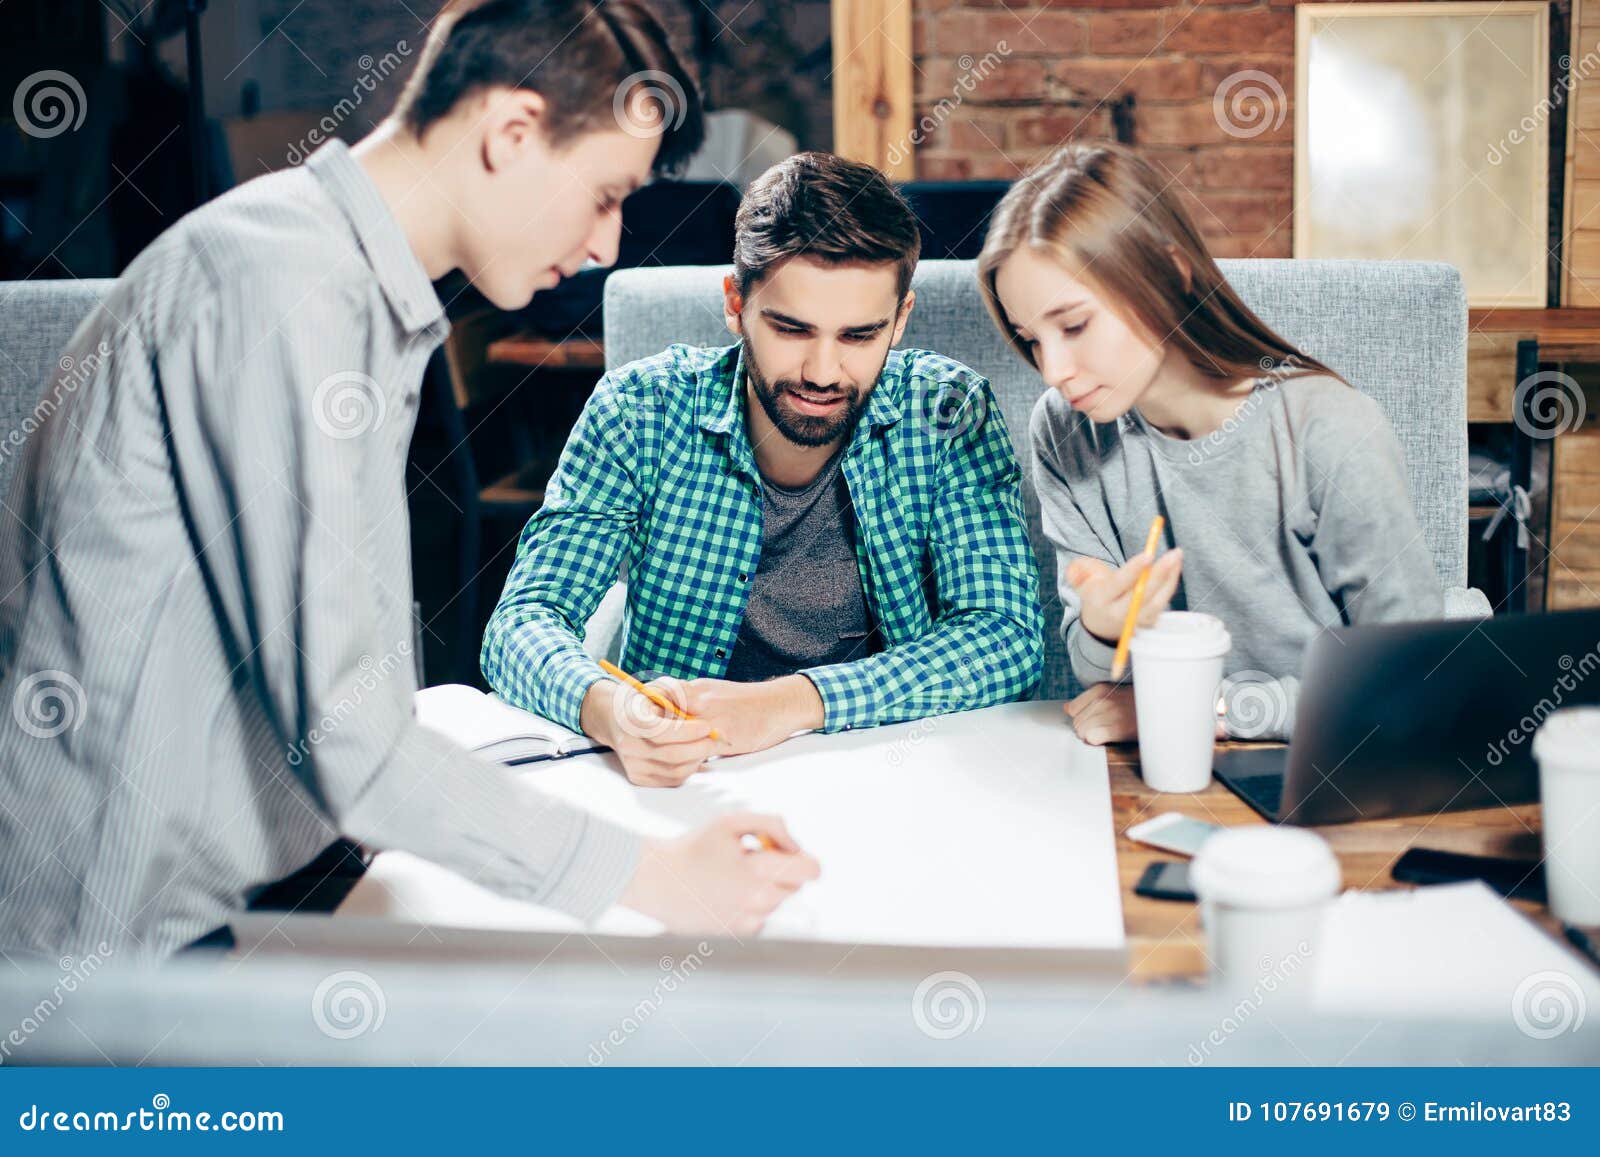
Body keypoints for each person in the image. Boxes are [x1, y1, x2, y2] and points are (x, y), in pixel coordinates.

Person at [0, 0, 818, 965]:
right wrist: (655, 875)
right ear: (511, 132)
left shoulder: (339, 282)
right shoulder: (284, 285)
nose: (606, 245)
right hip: (116, 939)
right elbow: (351, 737)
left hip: (248, 879)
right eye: (604, 194)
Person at [482, 151, 1044, 787]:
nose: (823, 372)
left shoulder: (947, 411)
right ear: (735, 303)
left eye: (859, 336)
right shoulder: (638, 410)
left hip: (883, 768)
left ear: (901, 320)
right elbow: (522, 622)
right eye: (791, 329)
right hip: (689, 781)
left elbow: (1006, 639)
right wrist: (610, 711)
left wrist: (789, 704)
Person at [976, 141, 1443, 745]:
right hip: (1167, 765)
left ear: (1171, 273)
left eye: (1074, 325)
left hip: (1344, 765)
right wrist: (1099, 627)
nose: (1053, 369)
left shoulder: (1324, 429)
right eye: (1030, 338)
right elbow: (1098, 675)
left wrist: (1206, 709)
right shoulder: (1063, 431)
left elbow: (1419, 677)